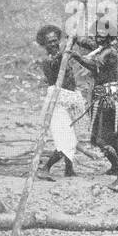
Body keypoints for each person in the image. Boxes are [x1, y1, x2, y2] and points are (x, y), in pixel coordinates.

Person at [71, 25, 118, 188]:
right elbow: (90, 44)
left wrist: (75, 55)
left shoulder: (109, 53)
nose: (98, 38)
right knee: (111, 138)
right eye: (97, 35)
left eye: (102, 36)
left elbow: (93, 65)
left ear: (110, 38)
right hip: (105, 97)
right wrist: (77, 39)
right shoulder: (103, 48)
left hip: (108, 100)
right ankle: (114, 168)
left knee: (101, 140)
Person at [34, 25, 86, 179]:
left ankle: (69, 169)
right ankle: (45, 169)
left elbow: (64, 55)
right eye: (49, 42)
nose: (53, 44)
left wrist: (73, 40)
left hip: (69, 98)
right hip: (57, 101)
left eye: (55, 41)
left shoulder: (61, 54)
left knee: (72, 135)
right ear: (44, 44)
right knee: (66, 140)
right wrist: (67, 50)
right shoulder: (48, 61)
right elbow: (55, 64)